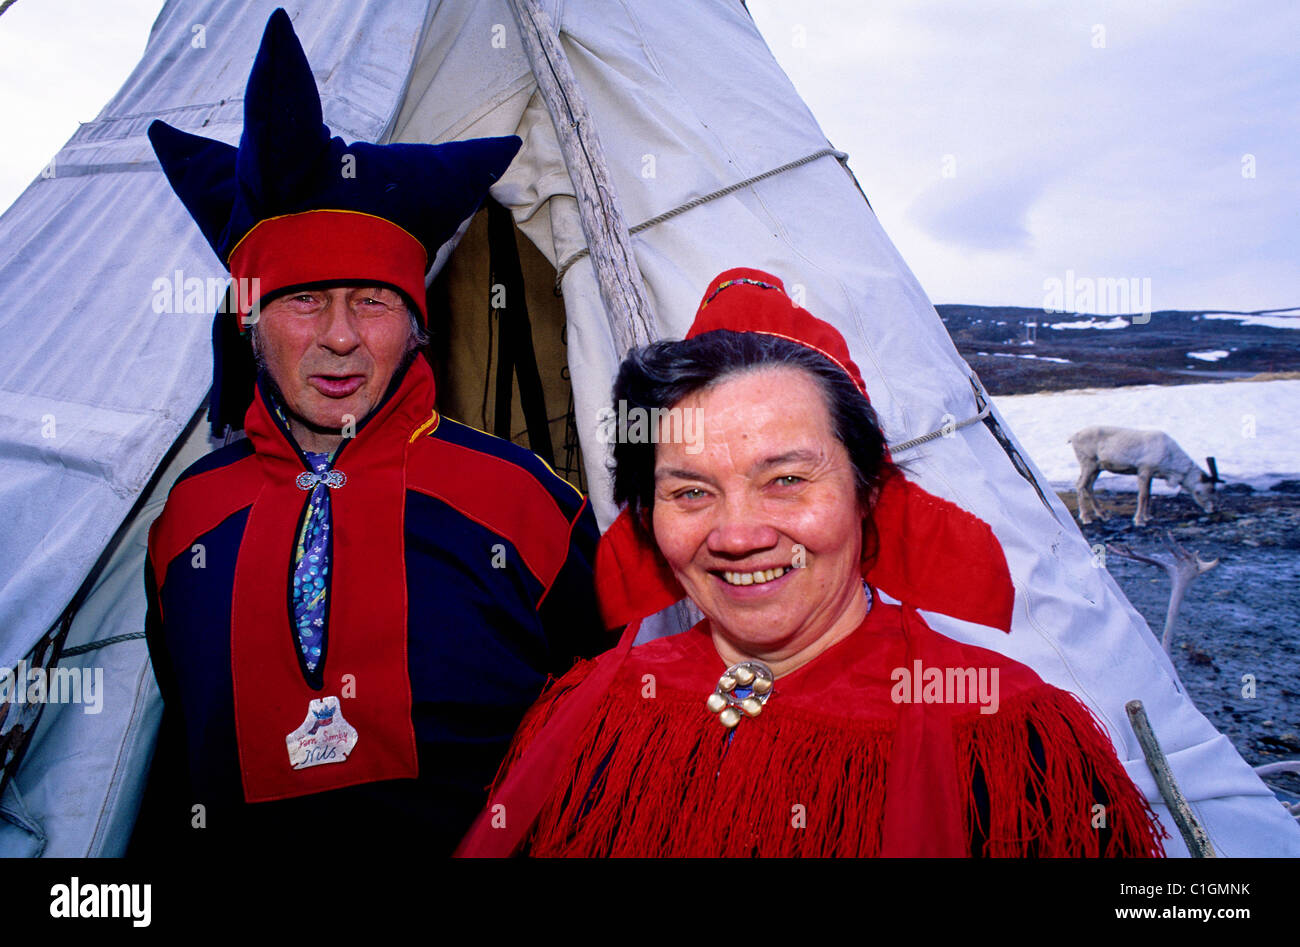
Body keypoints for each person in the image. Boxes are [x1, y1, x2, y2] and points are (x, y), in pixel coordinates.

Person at [457, 268, 1168, 857]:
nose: (737, 535)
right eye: (691, 490)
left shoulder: (1003, 731)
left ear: (867, 491)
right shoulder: (595, 708)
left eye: (787, 479)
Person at [130, 9, 606, 857]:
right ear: (251, 324)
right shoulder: (187, 527)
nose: (340, 336)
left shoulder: (525, 507)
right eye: (305, 300)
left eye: (374, 301)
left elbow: (607, 725)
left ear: (416, 321)